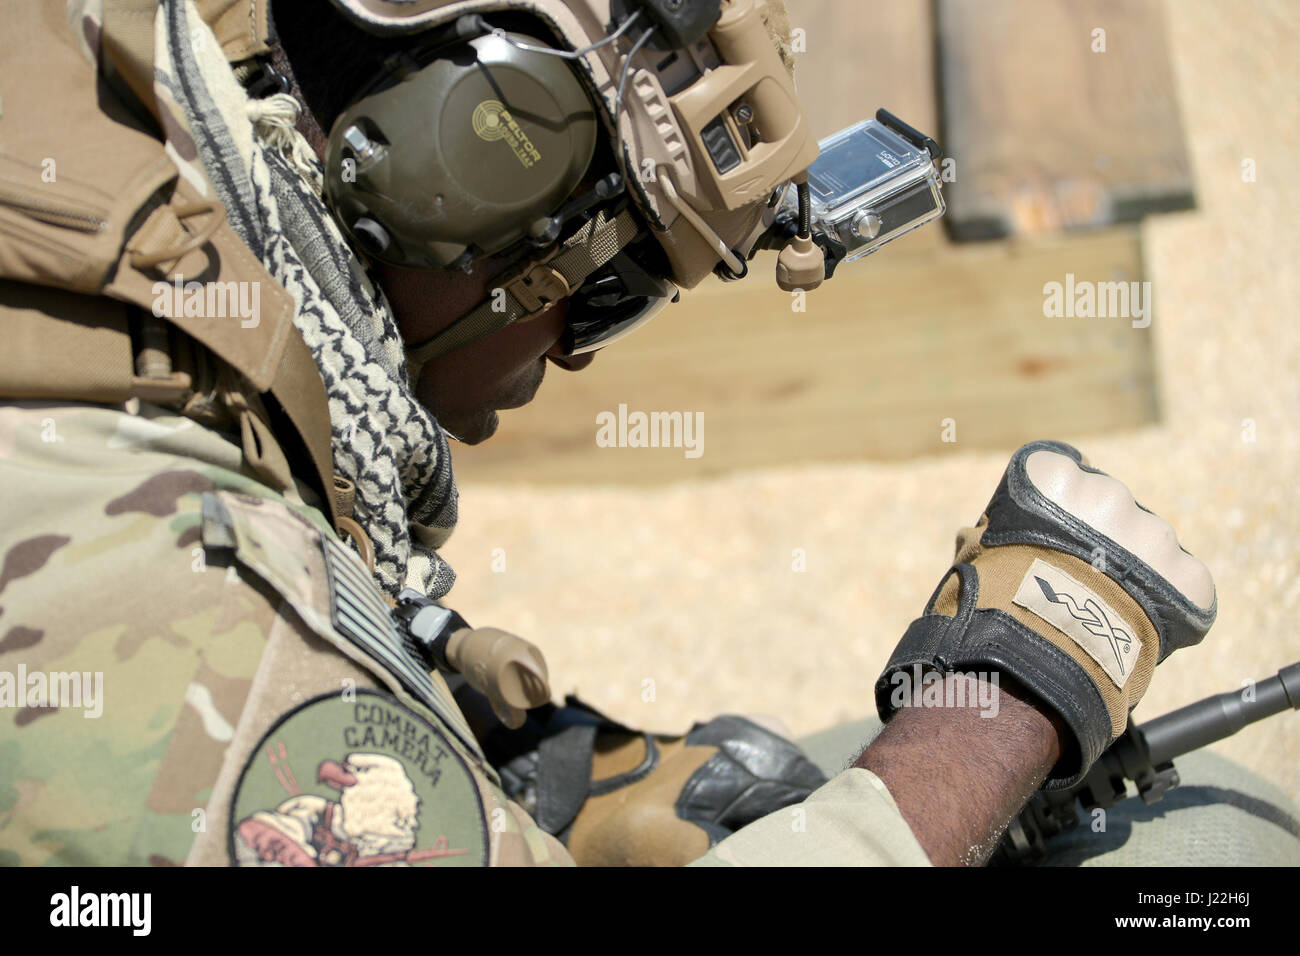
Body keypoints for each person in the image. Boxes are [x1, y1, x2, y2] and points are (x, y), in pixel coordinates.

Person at [0, 0, 1295, 868]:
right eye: (607, 294)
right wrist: (1011, 698)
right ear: (462, 174)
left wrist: (523, 761)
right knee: (1214, 848)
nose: (569, 352)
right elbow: (191, 682)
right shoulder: (163, 581)